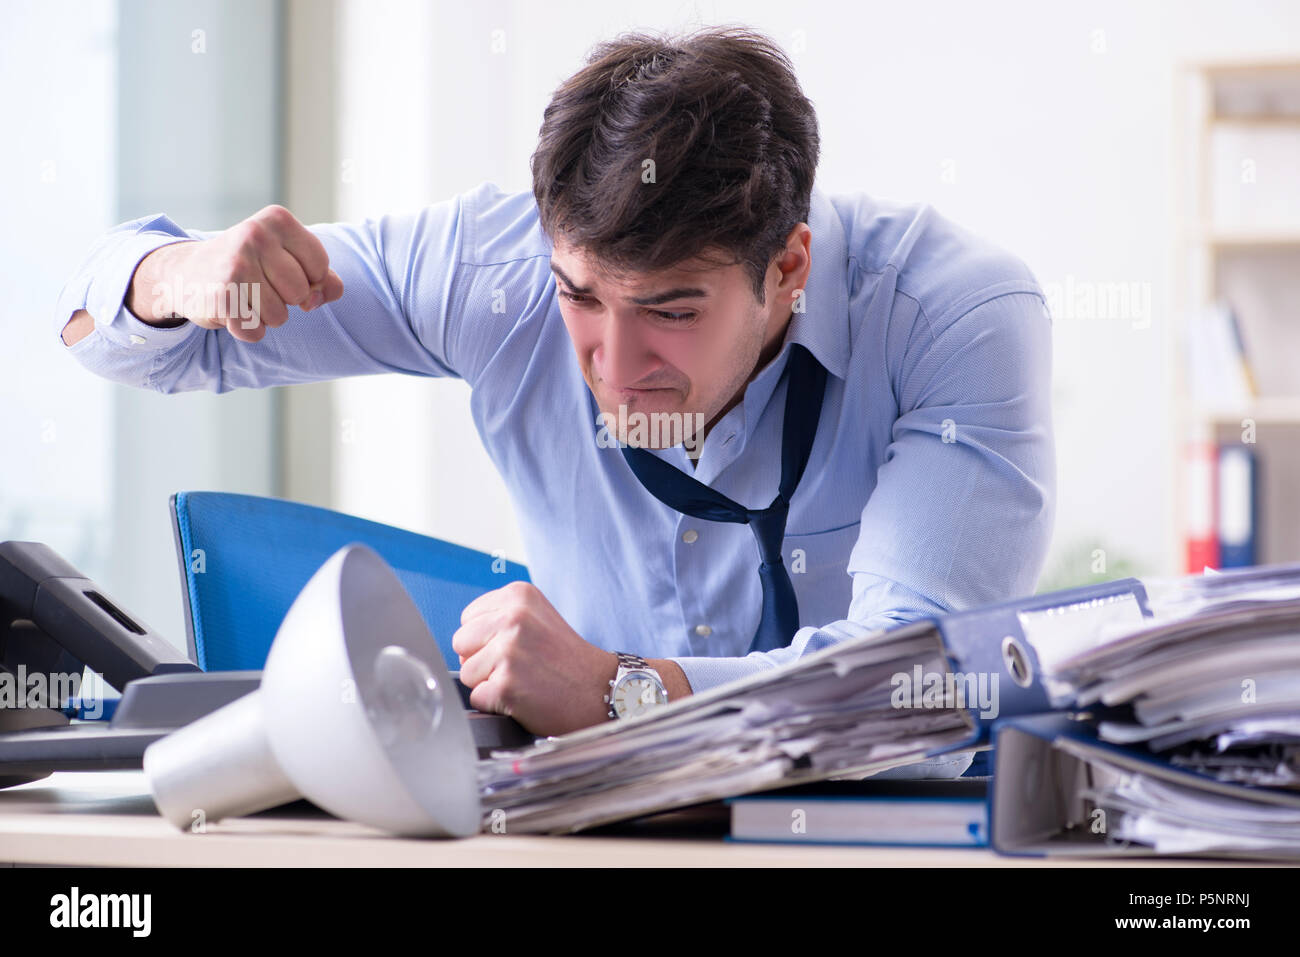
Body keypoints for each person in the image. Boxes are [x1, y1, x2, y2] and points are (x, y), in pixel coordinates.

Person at [55, 27, 1054, 753]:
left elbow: (921, 685)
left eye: (670, 310)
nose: (614, 370)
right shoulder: (486, 269)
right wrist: (177, 277)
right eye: (579, 296)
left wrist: (626, 693)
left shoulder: (954, 316)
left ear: (787, 269)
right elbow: (110, 335)